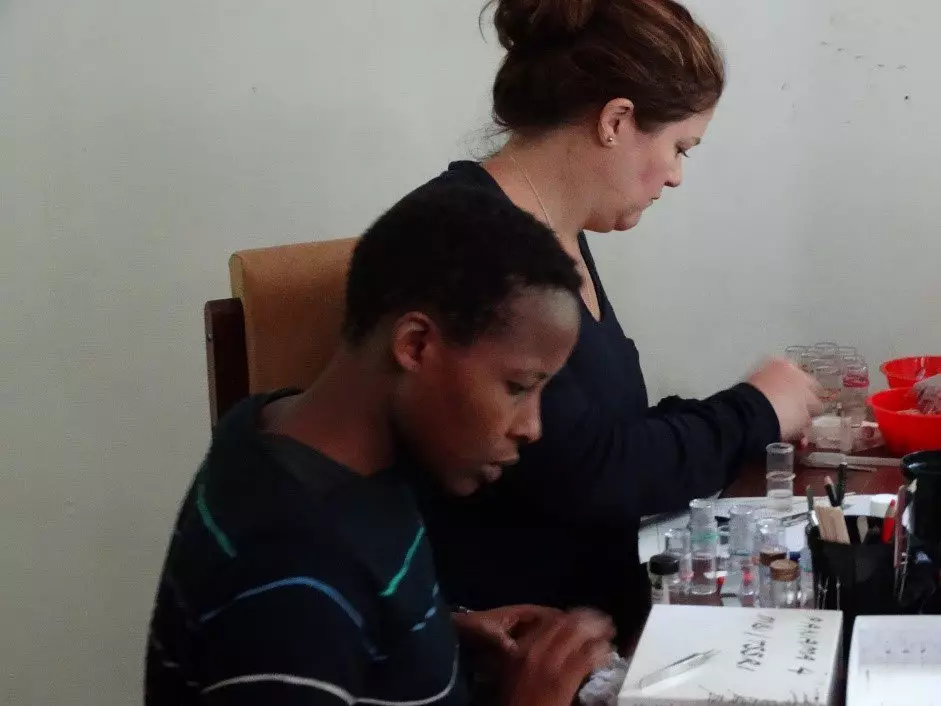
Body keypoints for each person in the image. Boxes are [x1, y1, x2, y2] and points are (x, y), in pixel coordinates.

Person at [410, 0, 824, 642]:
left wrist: (750, 428)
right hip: (525, 642)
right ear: (617, 120)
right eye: (680, 147)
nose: (678, 176)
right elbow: (589, 476)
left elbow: (603, 433)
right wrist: (753, 410)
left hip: (600, 612)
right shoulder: (474, 244)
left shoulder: (552, 227)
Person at [145, 185, 616, 706]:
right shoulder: (288, 579)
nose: (532, 427)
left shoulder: (287, 430)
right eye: (519, 387)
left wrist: (442, 633)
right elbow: (301, 626)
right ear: (415, 345)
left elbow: (344, 631)